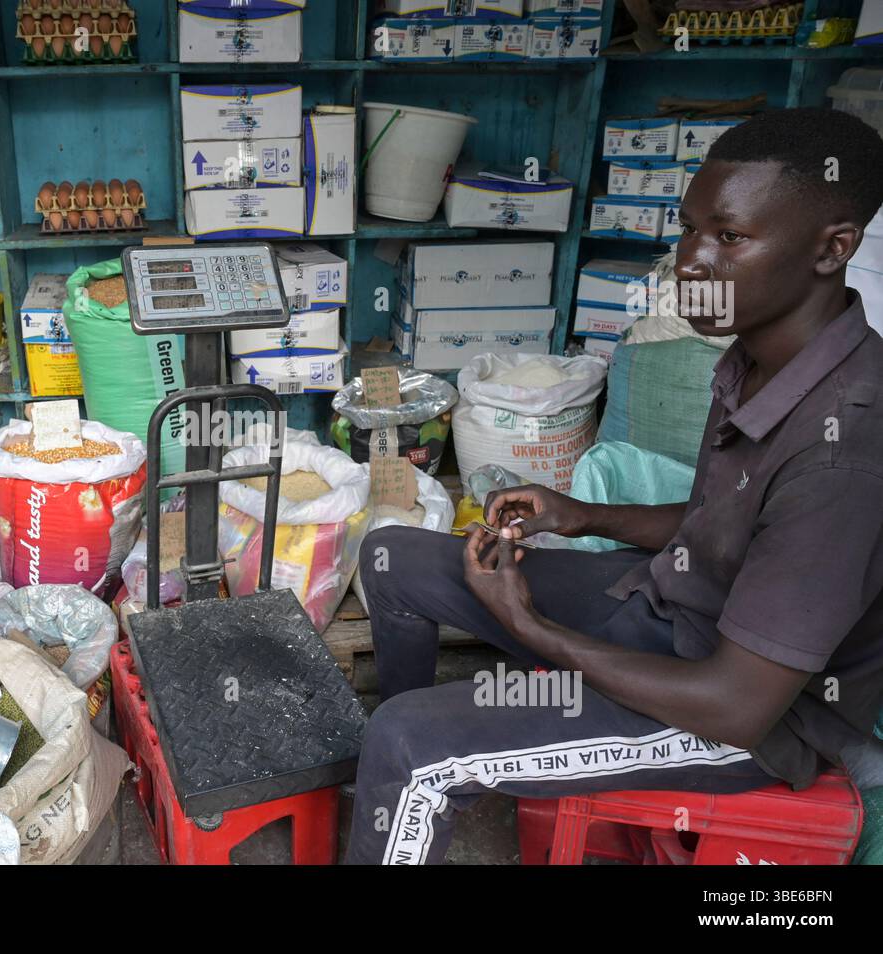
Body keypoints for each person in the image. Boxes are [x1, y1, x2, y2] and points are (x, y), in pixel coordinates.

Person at [345, 107, 883, 865]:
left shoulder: (847, 451)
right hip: (675, 613)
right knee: (395, 555)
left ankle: (415, 768)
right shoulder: (759, 358)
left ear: (834, 249)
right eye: (690, 228)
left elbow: (736, 705)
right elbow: (723, 523)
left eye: (728, 237)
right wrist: (579, 513)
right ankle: (411, 783)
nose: (689, 261)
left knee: (409, 743)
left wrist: (533, 629)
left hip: (745, 721)